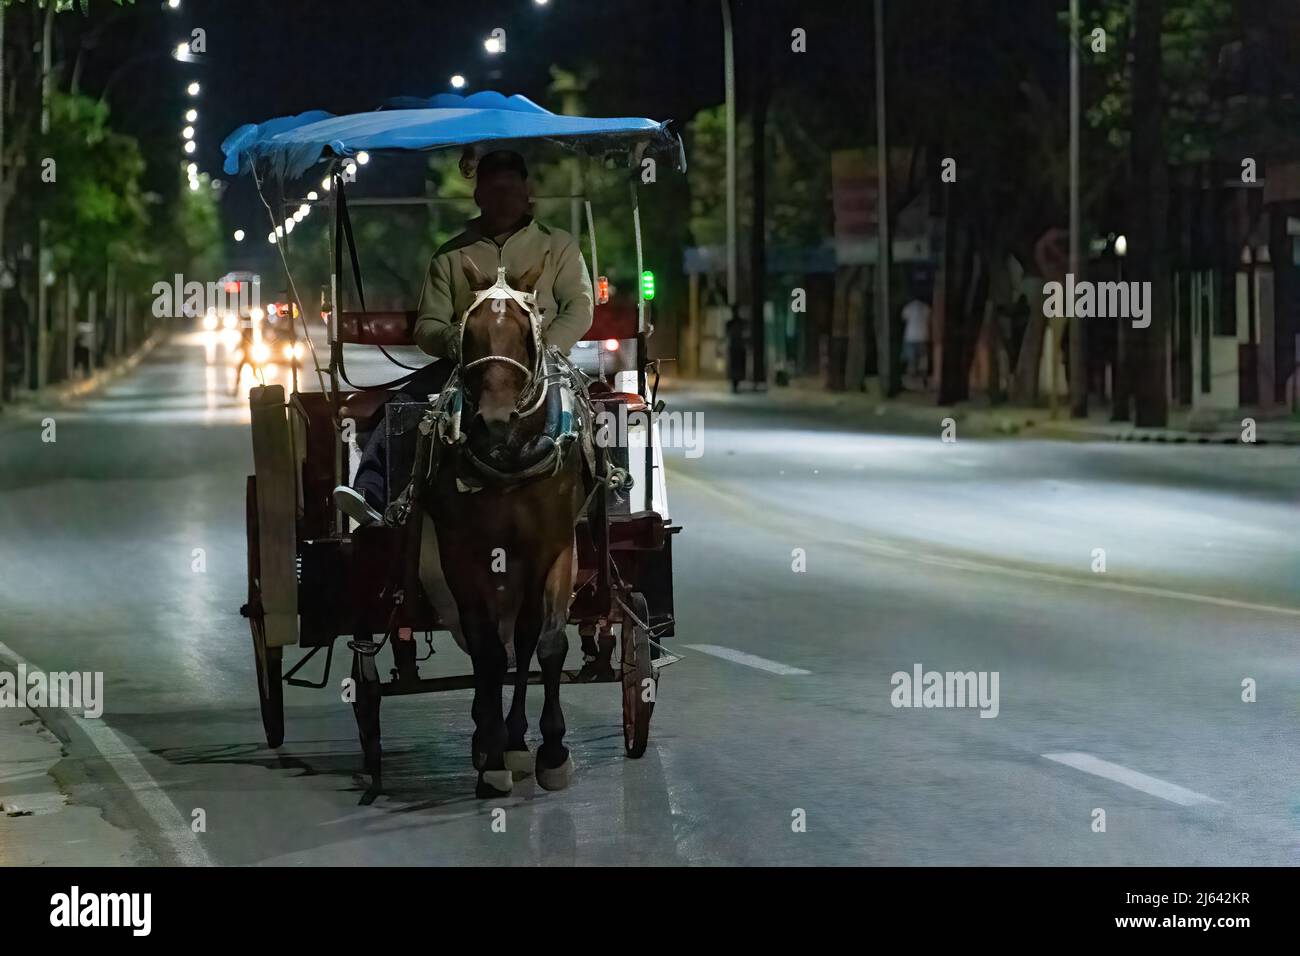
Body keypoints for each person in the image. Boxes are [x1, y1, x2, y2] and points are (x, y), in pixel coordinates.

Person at [332, 149, 594, 526]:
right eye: (493, 188)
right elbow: (428, 325)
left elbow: (580, 308)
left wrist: (543, 349)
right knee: (404, 408)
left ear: (527, 192)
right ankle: (372, 494)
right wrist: (463, 344)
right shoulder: (450, 256)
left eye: (511, 188)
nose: (503, 197)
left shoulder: (560, 247)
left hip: (543, 362)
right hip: (469, 366)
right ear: (478, 196)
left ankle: (609, 490)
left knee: (598, 408)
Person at [901, 294, 932, 389]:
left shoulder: (909, 307)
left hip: (911, 336)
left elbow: (904, 318)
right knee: (923, 358)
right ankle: (923, 378)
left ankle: (911, 380)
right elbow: (929, 319)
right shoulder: (926, 308)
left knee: (911, 360)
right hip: (923, 336)